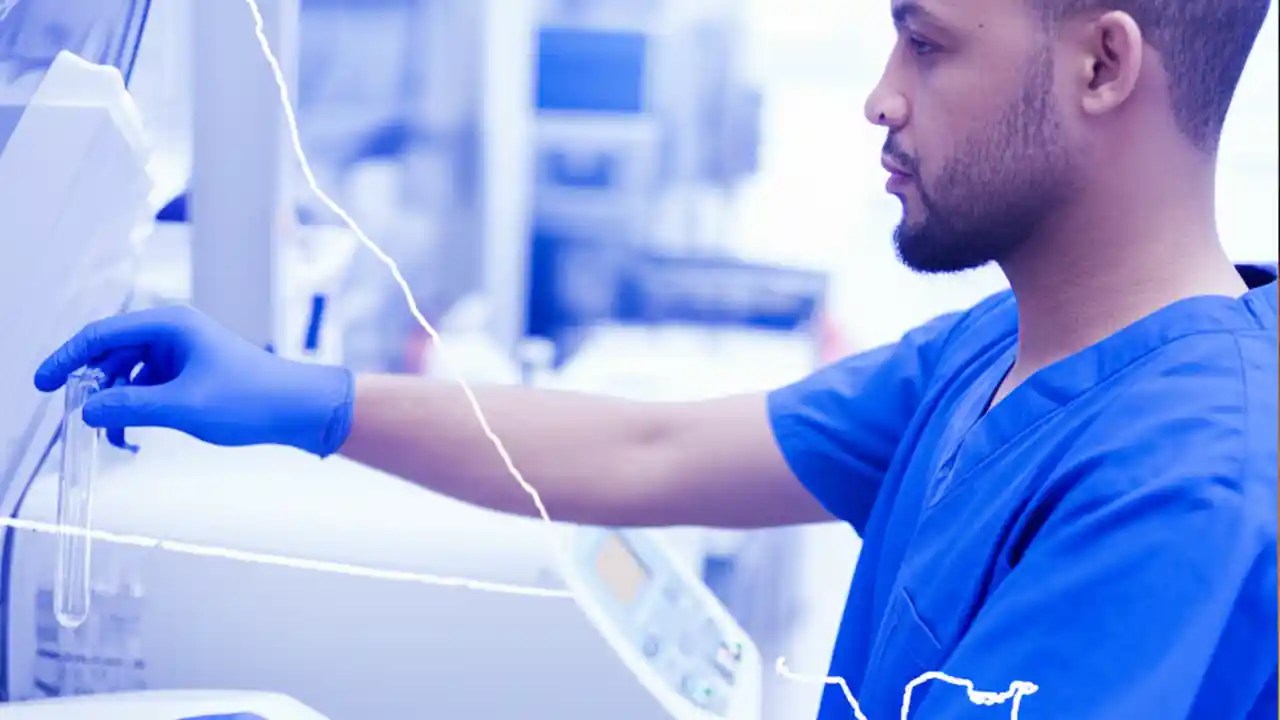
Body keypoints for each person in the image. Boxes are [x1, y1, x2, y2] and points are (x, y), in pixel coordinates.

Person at [33, 0, 1278, 717]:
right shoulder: (993, 354)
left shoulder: (1178, 485)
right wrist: (311, 400)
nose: (880, 97)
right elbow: (649, 450)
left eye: (928, 43)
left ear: (1103, 64)